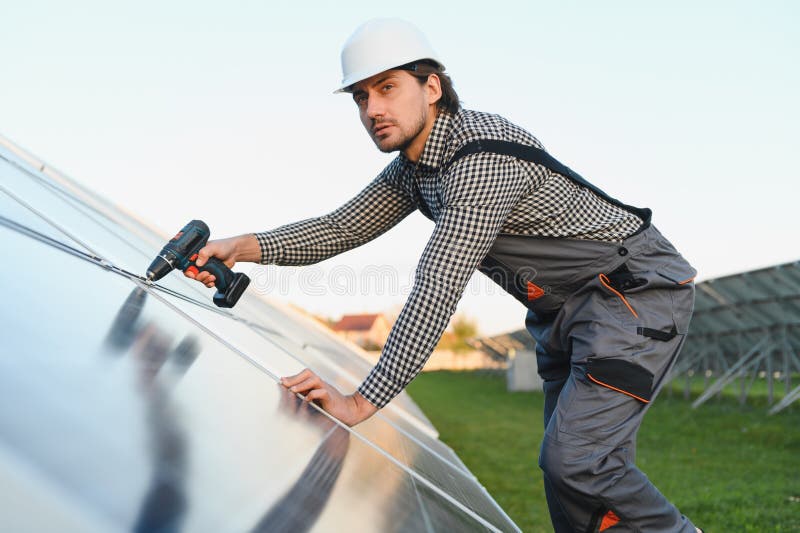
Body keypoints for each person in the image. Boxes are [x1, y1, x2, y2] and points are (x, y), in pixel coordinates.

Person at [185, 18, 702, 533]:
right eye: (361, 97)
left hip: (632, 295)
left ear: (432, 87)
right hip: (564, 312)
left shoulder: (482, 157)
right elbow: (338, 228)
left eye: (387, 88)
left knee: (578, 462)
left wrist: (359, 401)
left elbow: (438, 283)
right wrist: (240, 248)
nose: (373, 110)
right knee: (569, 478)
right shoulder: (415, 169)